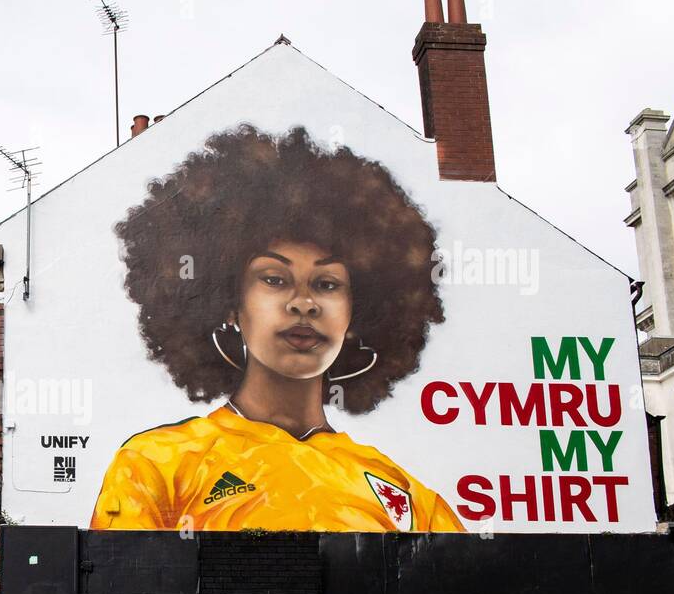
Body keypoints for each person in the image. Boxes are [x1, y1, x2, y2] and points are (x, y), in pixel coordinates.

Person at [91, 126, 464, 534]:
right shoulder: (155, 464)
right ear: (231, 305)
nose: (303, 302)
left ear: (357, 314)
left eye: (327, 284)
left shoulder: (407, 495)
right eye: (274, 279)